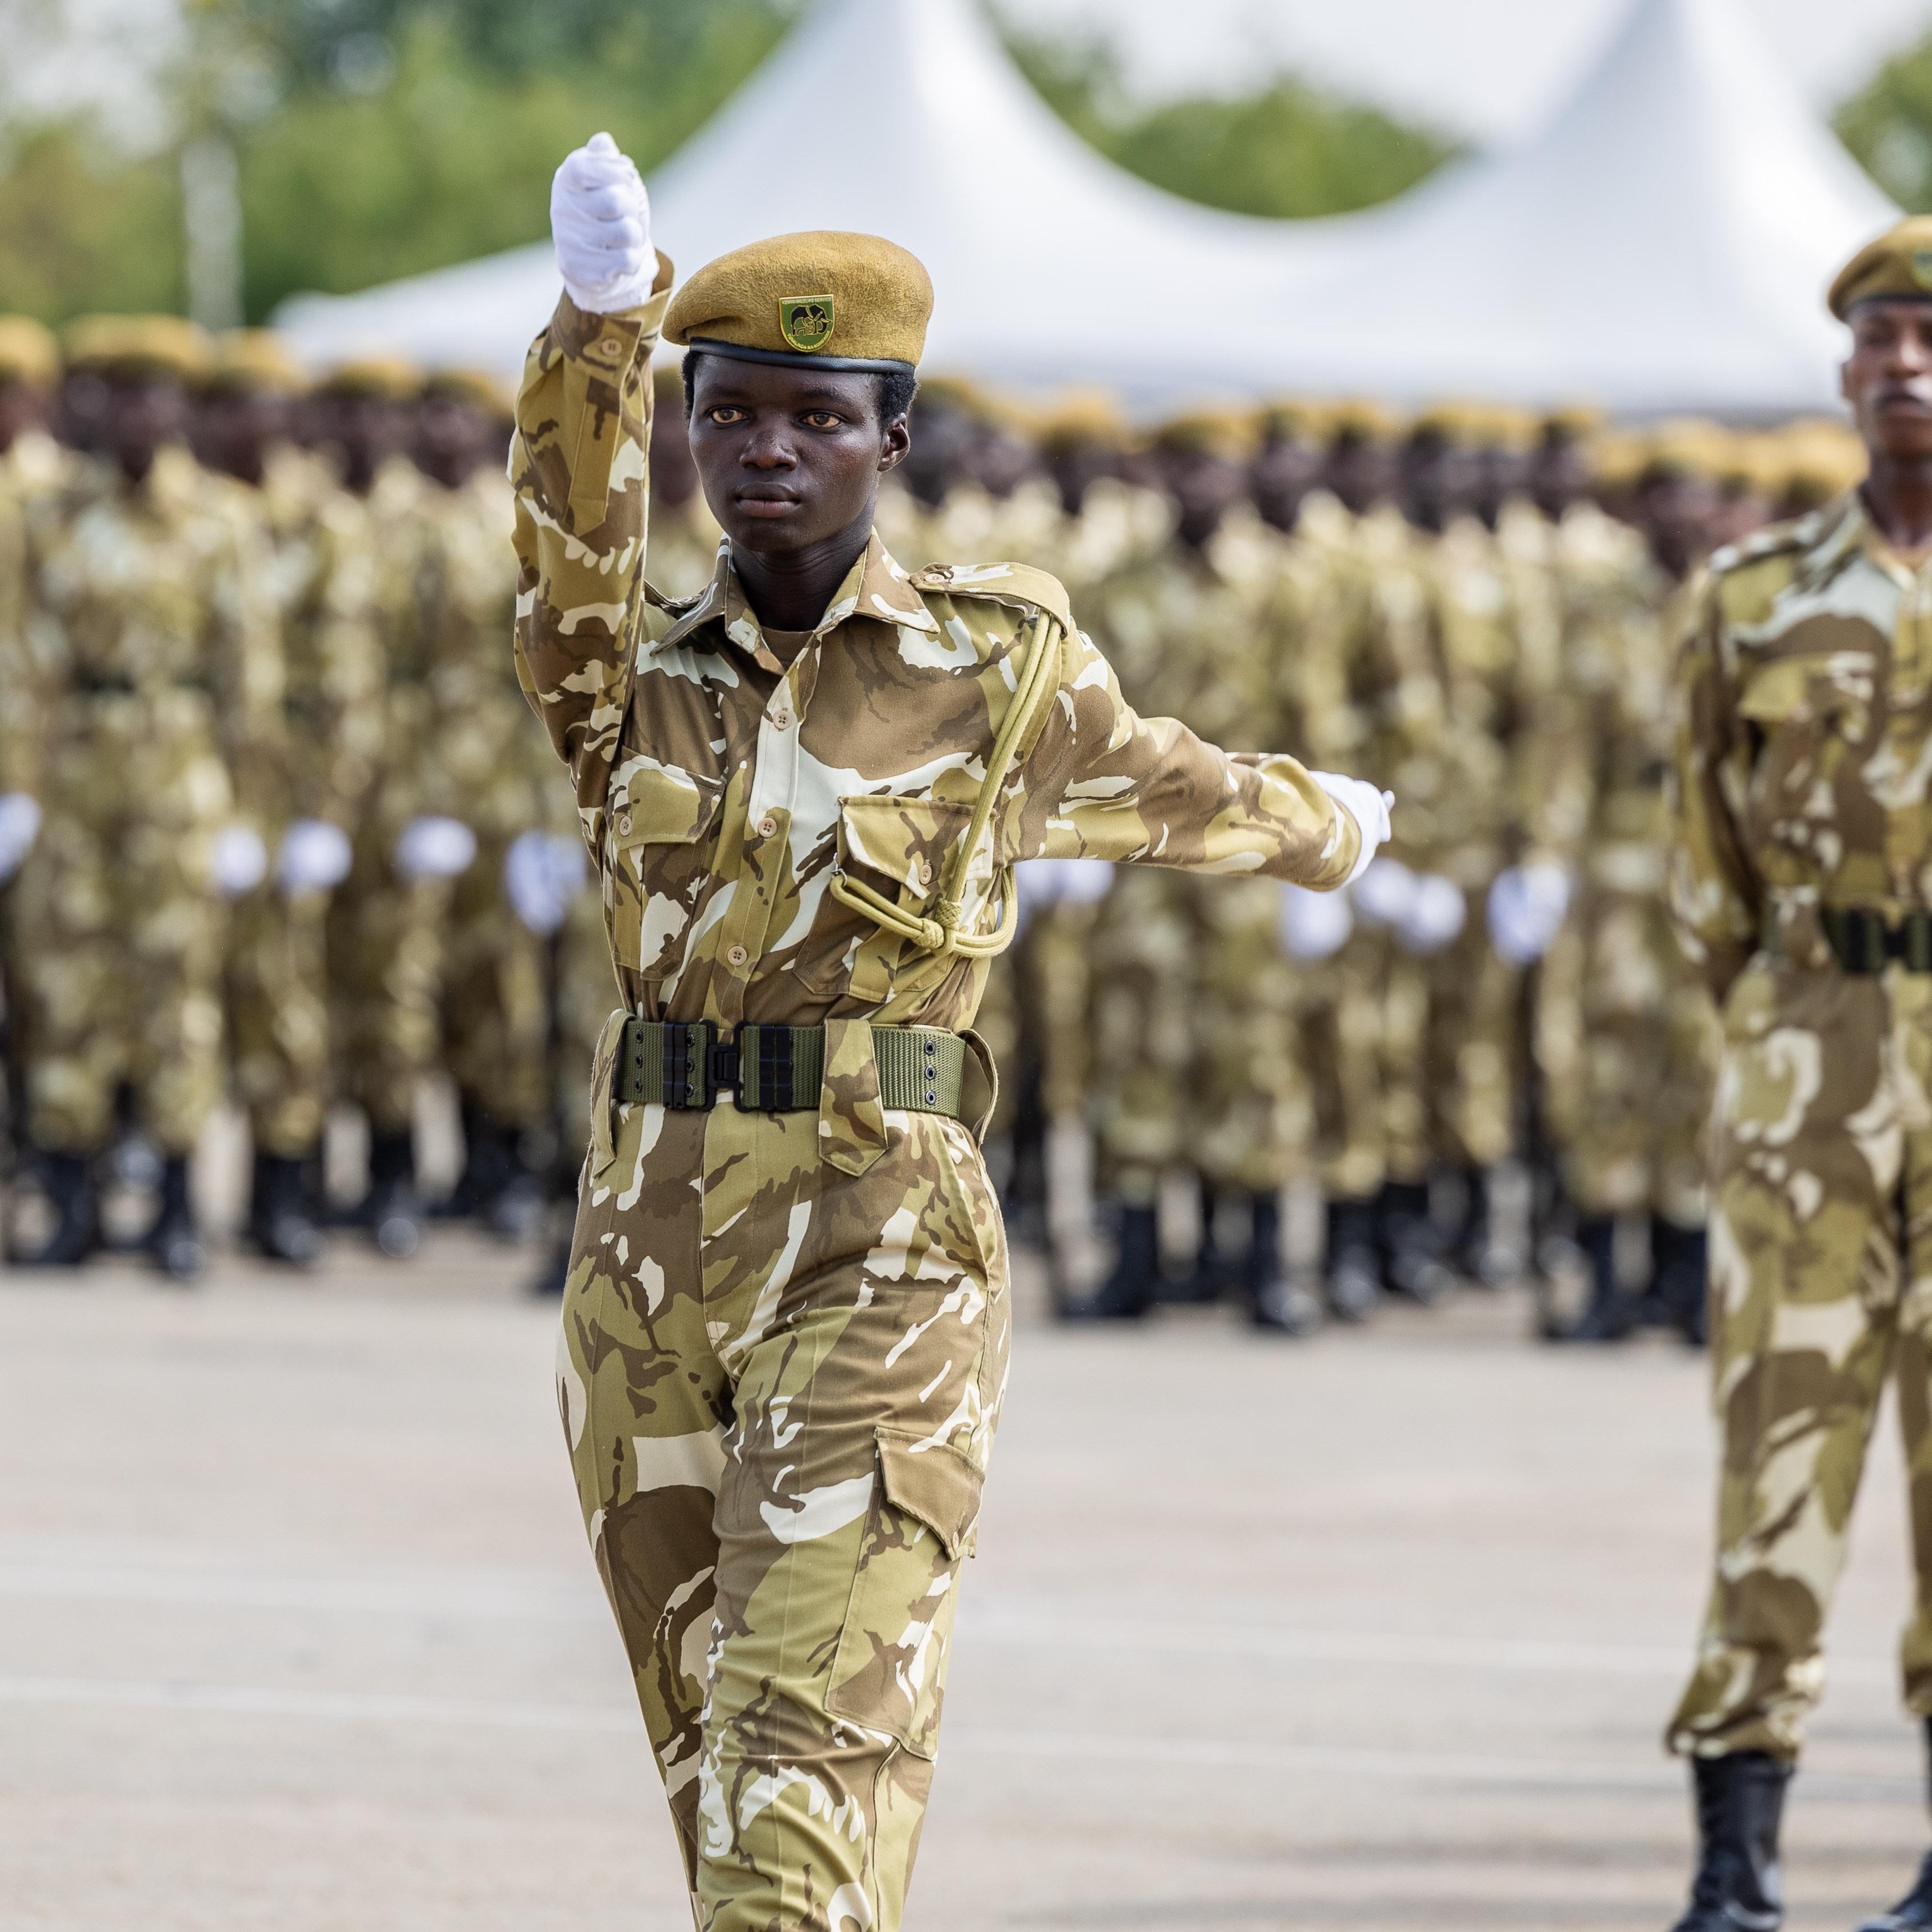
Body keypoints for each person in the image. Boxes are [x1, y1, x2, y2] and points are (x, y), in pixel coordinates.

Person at [519, 134, 1391, 1932]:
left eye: (814, 418)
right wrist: (598, 328)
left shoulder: (994, 672)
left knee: (802, 1748)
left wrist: (1330, 827)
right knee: (717, 1759)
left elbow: (1170, 781)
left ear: (890, 442)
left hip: (878, 1235)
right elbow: (562, 538)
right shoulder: (623, 680)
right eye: (726, 413)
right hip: (644, 1260)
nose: (765, 449)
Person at [1662, 216, 1932, 1932]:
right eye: (1881, 338)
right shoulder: (1749, 595)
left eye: (1930, 337)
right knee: (1776, 1447)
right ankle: (1733, 1864)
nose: (1906, 365)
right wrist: (1774, 1033)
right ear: (1842, 372)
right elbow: (1703, 868)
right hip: (1809, 1053)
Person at [3, 317, 279, 1278]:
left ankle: (175, 1204)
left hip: (180, 772)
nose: (136, 413)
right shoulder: (48, 517)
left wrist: (250, 811)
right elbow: (25, 659)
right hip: (76, 771)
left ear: (178, 410)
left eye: (155, 395)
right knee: (68, 984)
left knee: (177, 987)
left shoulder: (218, 520)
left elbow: (249, 676)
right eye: (119, 395)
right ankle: (71, 1201)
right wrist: (19, 787)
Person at [196, 329, 381, 1266]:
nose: (246, 422)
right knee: (183, 981)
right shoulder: (190, 511)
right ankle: (162, 1184)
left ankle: (283, 1186)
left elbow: (349, 678)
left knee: (284, 989)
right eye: (228, 404)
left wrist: (328, 814)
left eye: (262, 404)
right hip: (191, 776)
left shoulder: (323, 522)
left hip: (291, 780)